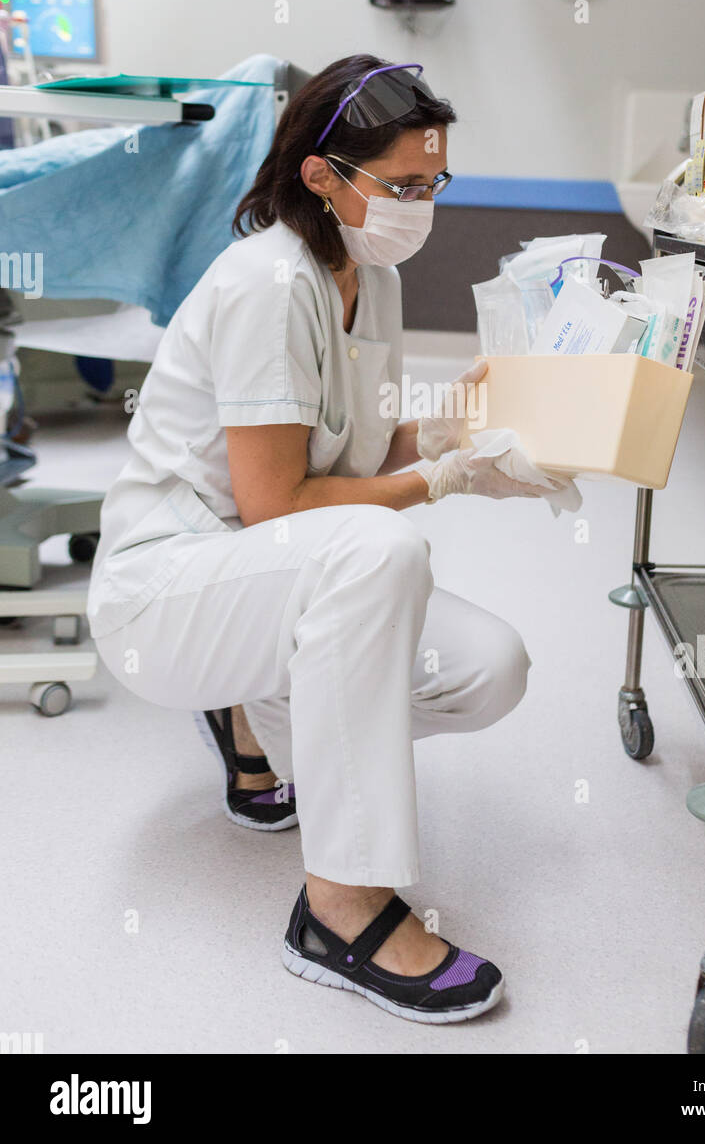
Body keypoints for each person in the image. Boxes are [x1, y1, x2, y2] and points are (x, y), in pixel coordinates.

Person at [87, 56, 565, 1023]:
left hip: (269, 581)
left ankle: (255, 708)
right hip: (171, 591)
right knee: (378, 552)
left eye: (435, 183)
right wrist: (439, 482)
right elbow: (278, 506)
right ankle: (340, 906)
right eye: (402, 185)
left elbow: (353, 436)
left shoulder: (368, 273)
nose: (421, 205)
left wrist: (449, 429)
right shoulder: (269, 284)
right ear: (321, 175)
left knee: (491, 667)